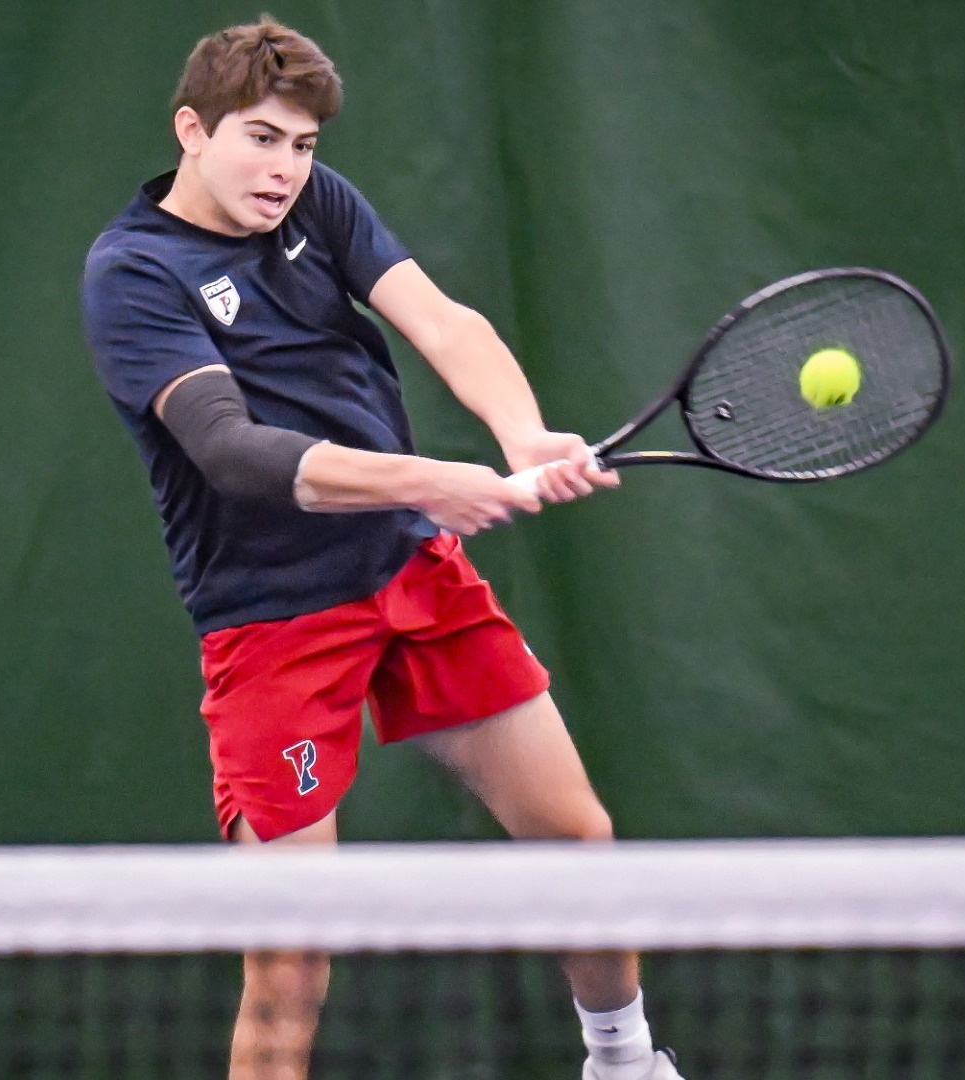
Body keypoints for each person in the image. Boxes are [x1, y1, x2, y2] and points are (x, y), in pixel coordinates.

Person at [81, 17, 681, 1080]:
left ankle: (624, 1062)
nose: (284, 170)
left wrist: (520, 434)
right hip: (272, 623)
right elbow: (233, 451)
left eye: (303, 146)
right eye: (262, 138)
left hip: (408, 577)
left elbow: (444, 324)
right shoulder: (133, 274)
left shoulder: (319, 207)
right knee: (294, 951)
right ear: (192, 128)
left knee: (578, 843)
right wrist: (429, 482)